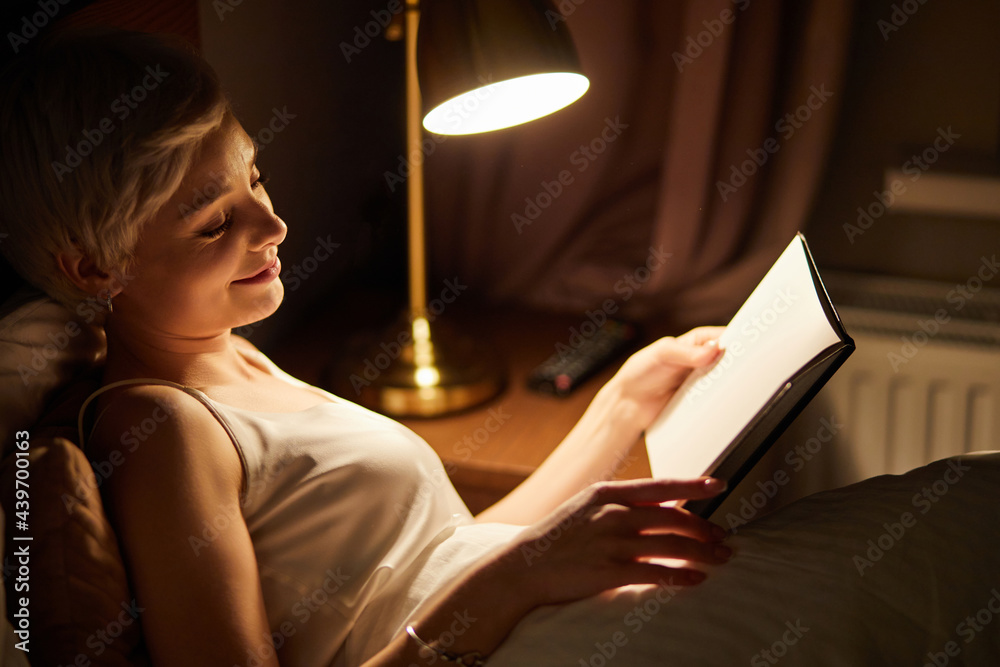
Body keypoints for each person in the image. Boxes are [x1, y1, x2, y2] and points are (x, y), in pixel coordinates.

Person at [0, 27, 734, 666]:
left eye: (255, 178)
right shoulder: (161, 427)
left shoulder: (232, 357)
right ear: (94, 268)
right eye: (215, 224)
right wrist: (516, 579)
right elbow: (467, 594)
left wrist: (619, 407)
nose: (274, 226)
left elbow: (440, 561)